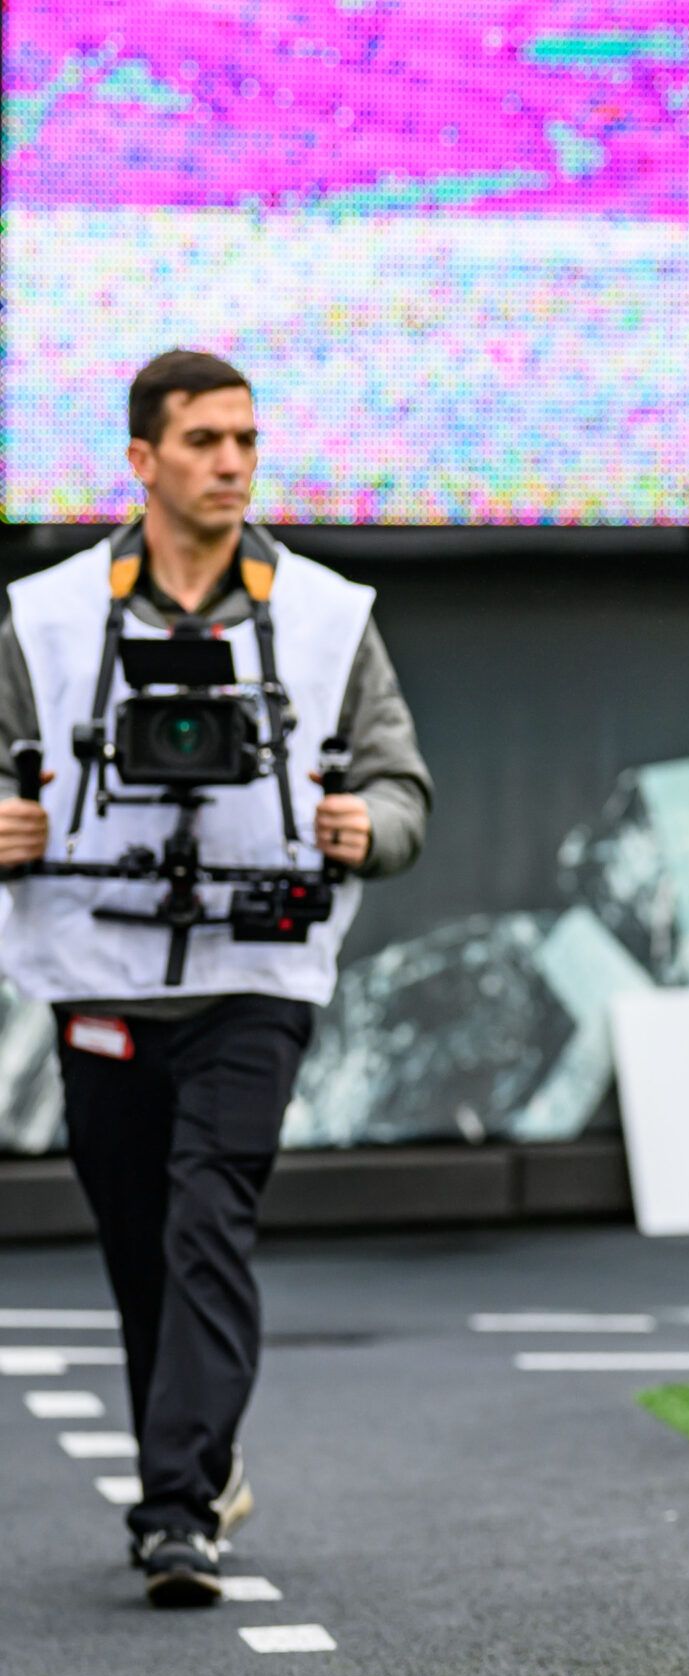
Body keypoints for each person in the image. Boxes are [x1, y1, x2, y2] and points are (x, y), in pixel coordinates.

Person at [0, 350, 433, 1608]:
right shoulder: (45, 617)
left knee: (207, 1218)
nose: (232, 463)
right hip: (99, 970)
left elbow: (403, 788)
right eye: (202, 441)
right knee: (141, 1244)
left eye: (245, 438)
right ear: (141, 461)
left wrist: (370, 828)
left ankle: (177, 1508)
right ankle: (201, 1454)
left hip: (260, 967)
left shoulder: (327, 613)